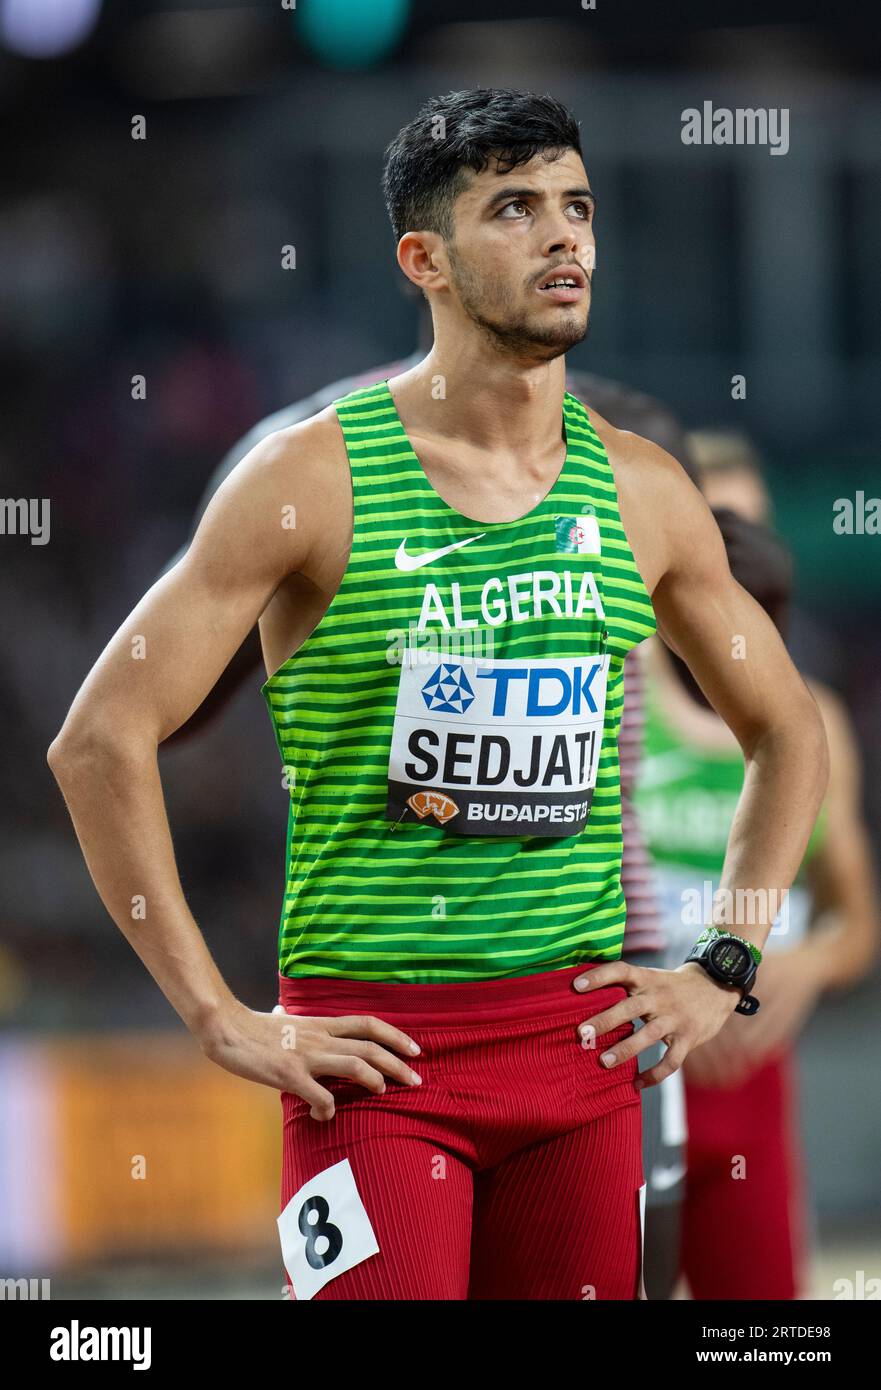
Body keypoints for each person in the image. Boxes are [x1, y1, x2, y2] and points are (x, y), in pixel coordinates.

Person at [48, 88, 828, 1301]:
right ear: (426, 260)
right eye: (514, 210)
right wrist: (214, 1012)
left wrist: (721, 959)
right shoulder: (306, 479)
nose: (563, 237)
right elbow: (98, 741)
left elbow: (788, 731)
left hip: (581, 1062)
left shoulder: (643, 492)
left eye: (575, 206)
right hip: (375, 1068)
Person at [633, 428, 878, 1300]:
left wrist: (802, 963)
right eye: (716, 528)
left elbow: (857, 923)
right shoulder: (612, 689)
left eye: (755, 531)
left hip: (749, 1089)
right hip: (624, 1080)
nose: (739, 557)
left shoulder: (811, 727)